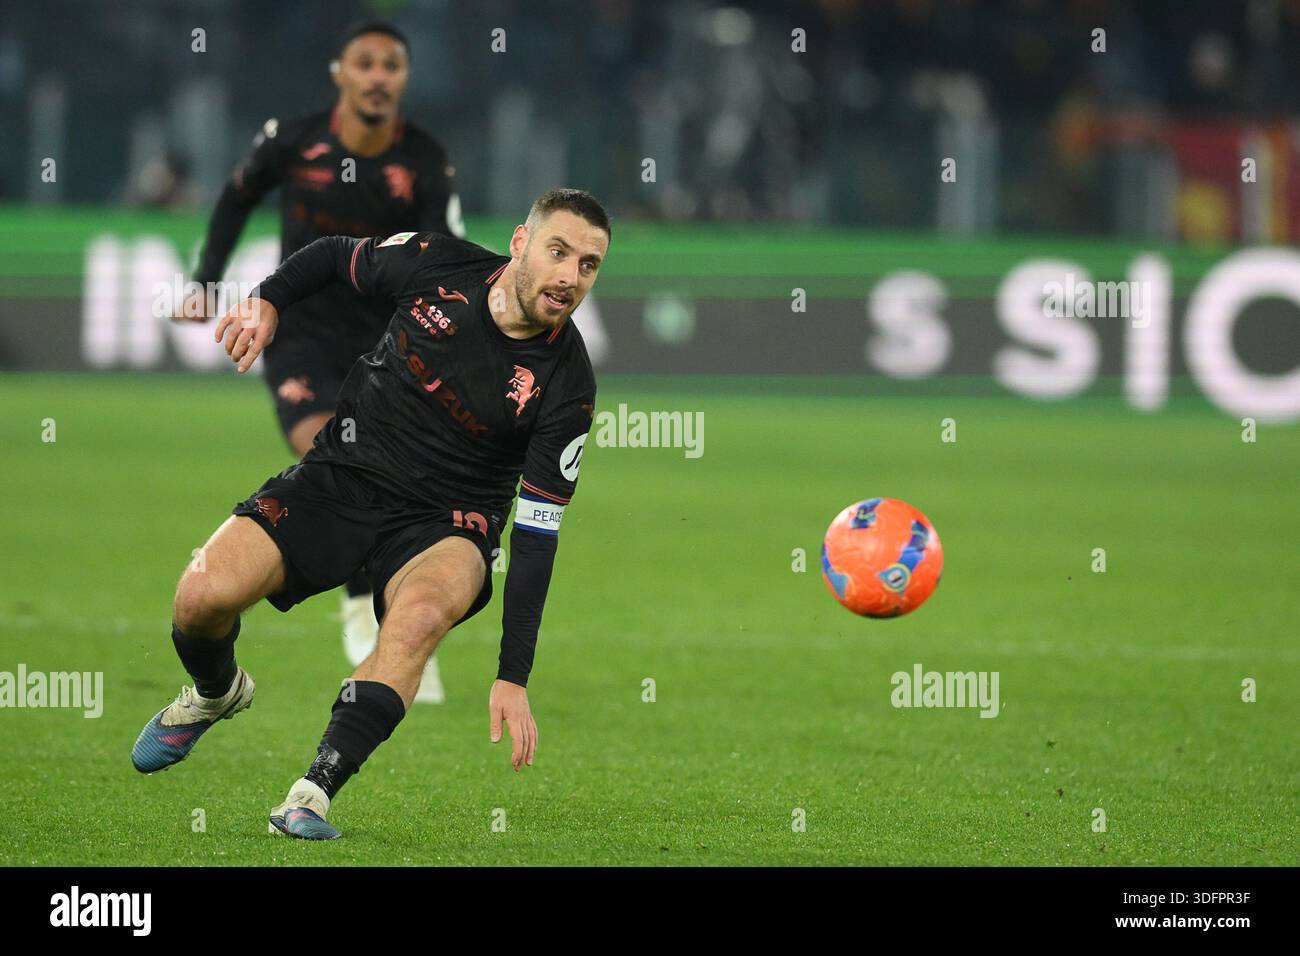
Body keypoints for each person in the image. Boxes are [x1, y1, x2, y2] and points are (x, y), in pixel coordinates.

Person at [133, 189, 610, 841]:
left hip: (450, 522)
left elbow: (536, 536)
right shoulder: (437, 266)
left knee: (416, 625)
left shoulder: (568, 386)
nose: (570, 276)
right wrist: (270, 300)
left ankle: (312, 792)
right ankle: (217, 693)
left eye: (588, 265)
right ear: (521, 244)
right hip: (344, 475)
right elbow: (332, 257)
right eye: (559, 252)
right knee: (200, 598)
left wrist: (512, 676)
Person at [175, 20, 463, 703]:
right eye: (364, 62)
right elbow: (238, 193)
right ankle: (365, 619)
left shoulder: (424, 158)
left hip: (386, 342)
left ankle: (383, 616)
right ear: (340, 72)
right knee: (337, 452)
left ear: (404, 79)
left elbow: (438, 250)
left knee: (384, 477)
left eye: (391, 65)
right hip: (300, 331)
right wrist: (207, 277)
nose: (377, 76)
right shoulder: (293, 140)